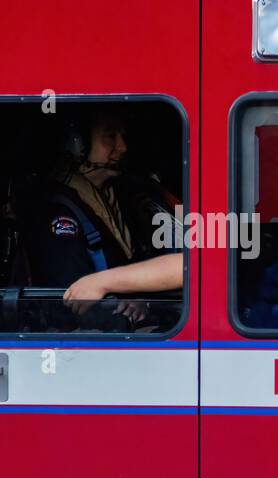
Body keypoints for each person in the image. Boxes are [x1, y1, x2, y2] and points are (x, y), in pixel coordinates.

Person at [27, 108, 182, 323]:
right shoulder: (58, 212)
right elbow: (75, 299)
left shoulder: (123, 199)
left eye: (122, 137)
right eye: (110, 137)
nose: (122, 147)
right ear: (78, 144)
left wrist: (142, 301)